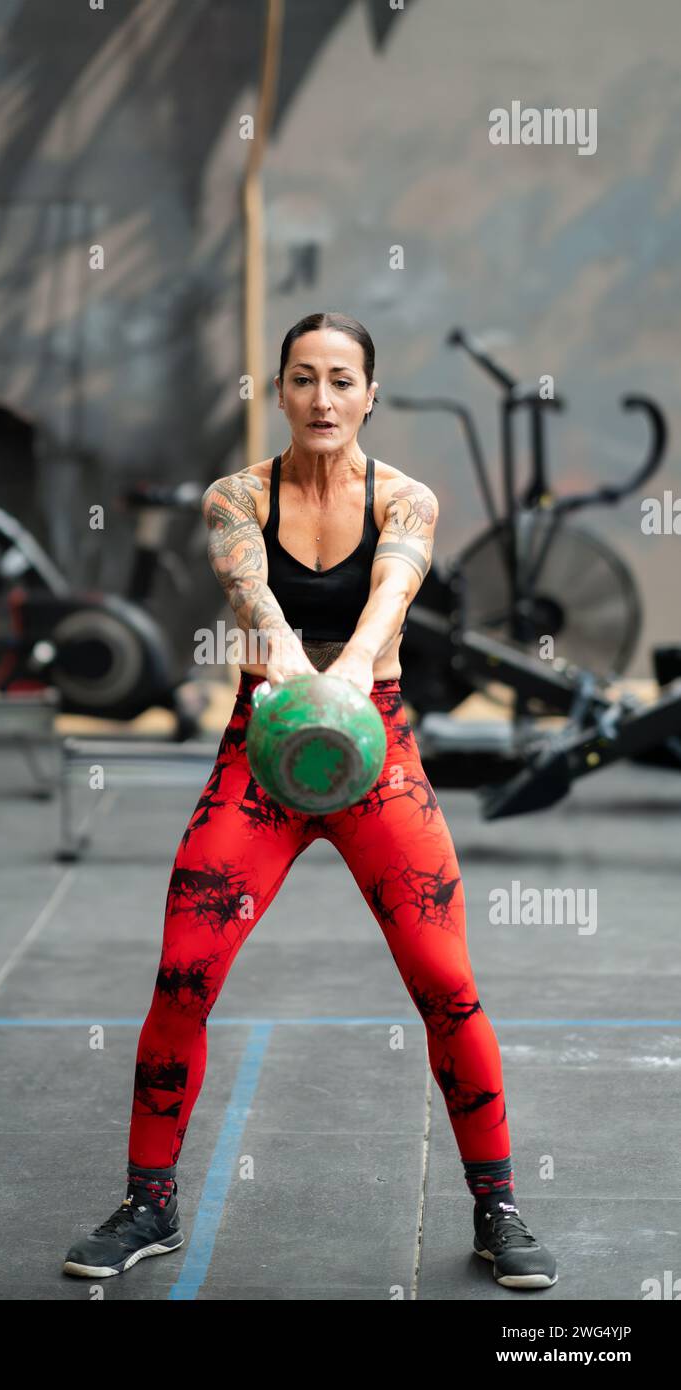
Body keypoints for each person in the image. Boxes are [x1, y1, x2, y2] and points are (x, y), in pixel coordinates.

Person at [63, 310, 558, 1291]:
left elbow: (387, 605)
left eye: (341, 379)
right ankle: (147, 1200)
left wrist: (351, 675)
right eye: (302, 378)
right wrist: (298, 675)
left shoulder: (405, 499)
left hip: (376, 747)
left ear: (369, 393)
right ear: (279, 392)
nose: (322, 397)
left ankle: (497, 1205)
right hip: (264, 748)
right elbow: (260, 613)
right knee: (182, 973)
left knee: (442, 980)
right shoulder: (233, 498)